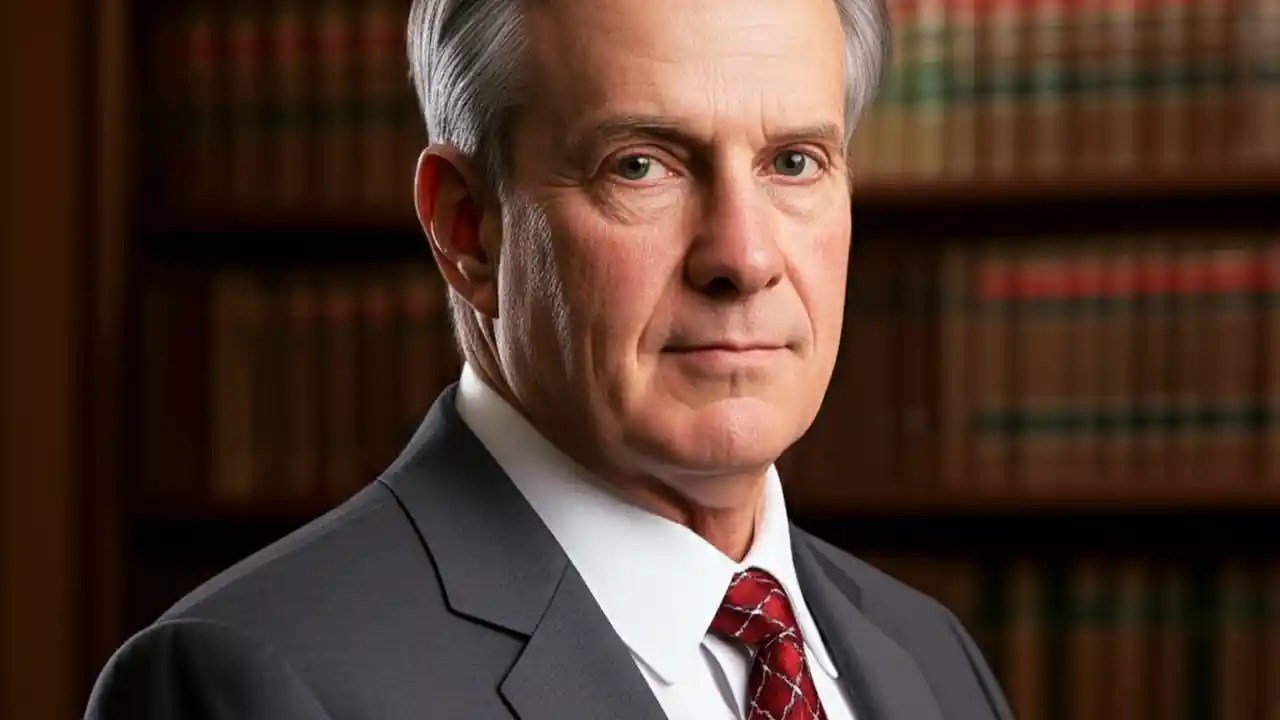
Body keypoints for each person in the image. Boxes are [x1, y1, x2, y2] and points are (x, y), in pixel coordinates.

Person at [85, 0, 1014, 717]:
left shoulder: (932, 660)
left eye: (795, 163)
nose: (745, 256)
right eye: (641, 164)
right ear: (466, 229)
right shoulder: (257, 682)